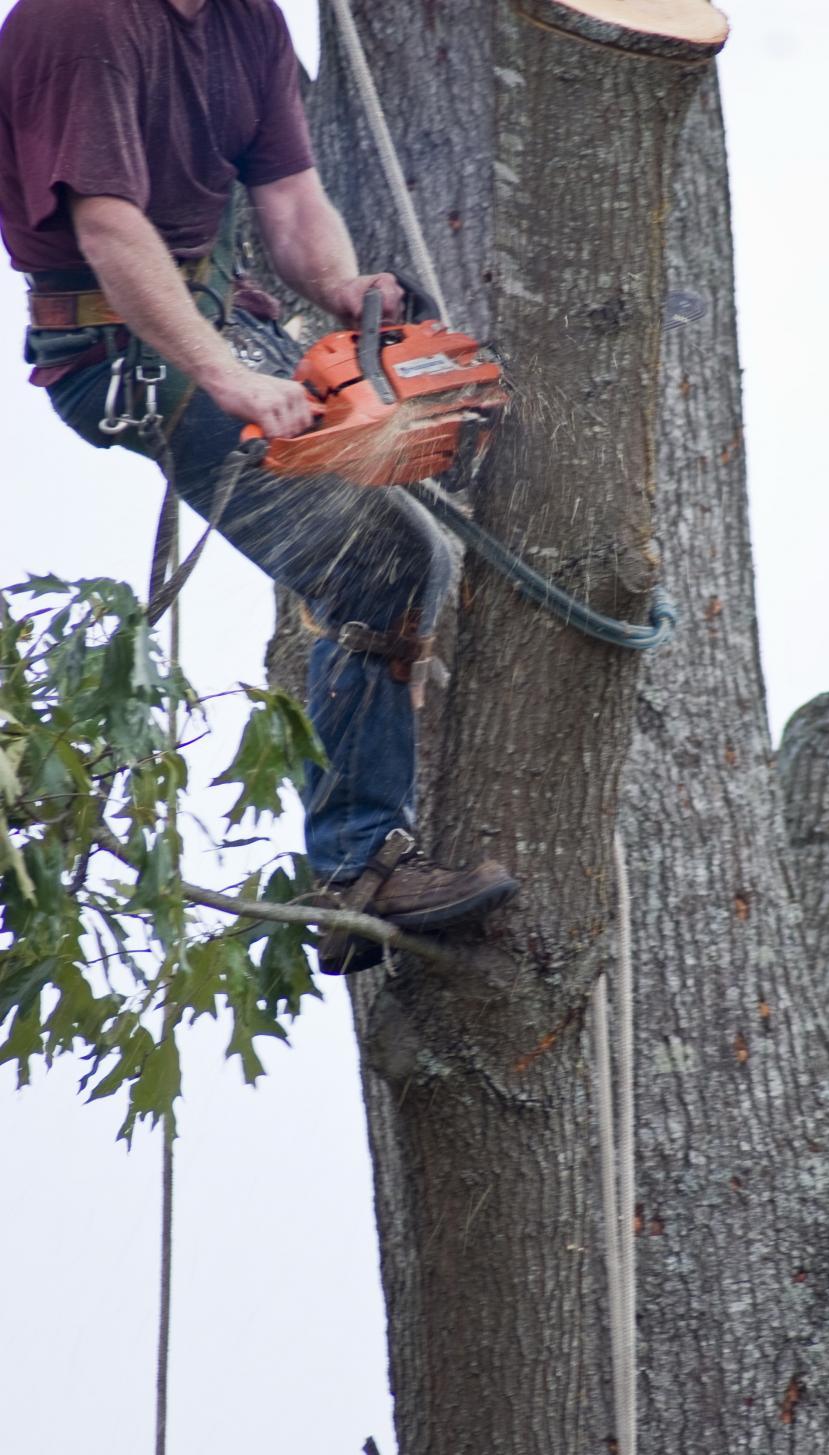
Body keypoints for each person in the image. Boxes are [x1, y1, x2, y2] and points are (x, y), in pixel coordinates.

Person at [0, 0, 518, 958]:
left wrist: (341, 288)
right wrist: (227, 376)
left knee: (432, 490)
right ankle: (361, 863)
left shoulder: (247, 19)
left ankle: (367, 831)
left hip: (223, 318)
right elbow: (108, 227)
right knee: (383, 562)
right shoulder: (84, 20)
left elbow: (289, 196)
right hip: (120, 350)